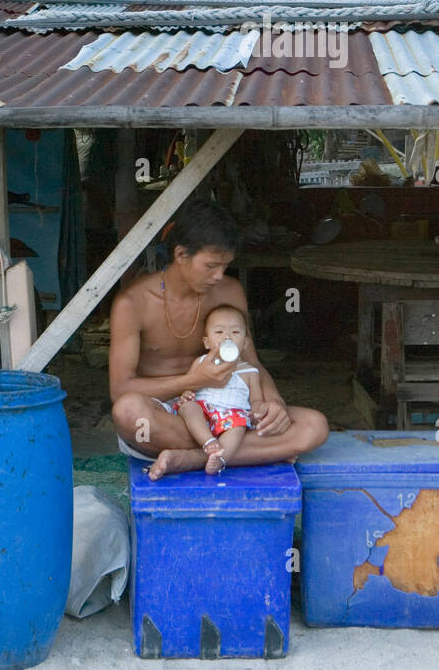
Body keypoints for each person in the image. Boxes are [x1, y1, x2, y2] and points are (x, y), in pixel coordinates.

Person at [109, 199, 329, 475]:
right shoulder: (132, 303)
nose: (219, 276)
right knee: (129, 413)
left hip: (229, 411)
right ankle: (243, 453)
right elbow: (120, 389)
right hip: (168, 414)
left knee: (314, 426)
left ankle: (191, 459)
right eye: (211, 266)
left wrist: (274, 402)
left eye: (225, 266)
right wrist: (193, 381)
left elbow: (252, 363)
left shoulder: (230, 291)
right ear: (181, 255)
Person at [167, 304, 263, 476]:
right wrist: (187, 394)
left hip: (231, 416)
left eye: (235, 332)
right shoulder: (201, 363)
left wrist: (256, 410)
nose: (227, 337)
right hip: (203, 411)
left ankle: (220, 458)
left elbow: (256, 400)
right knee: (188, 407)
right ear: (206, 341)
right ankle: (209, 442)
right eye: (219, 332)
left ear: (246, 343)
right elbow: (188, 386)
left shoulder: (250, 371)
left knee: (239, 426)